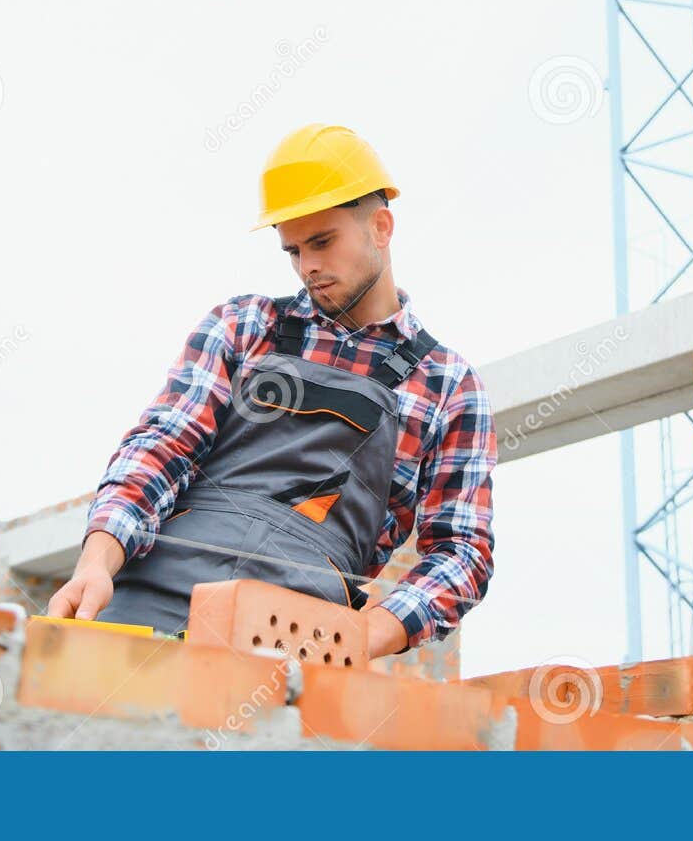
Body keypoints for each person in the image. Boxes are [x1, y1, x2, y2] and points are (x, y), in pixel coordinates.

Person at [46, 123, 496, 658]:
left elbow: (460, 552)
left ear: (380, 227)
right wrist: (96, 563)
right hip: (152, 601)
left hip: (292, 638)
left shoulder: (447, 385)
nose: (309, 267)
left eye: (323, 242)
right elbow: (164, 444)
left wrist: (357, 638)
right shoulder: (242, 326)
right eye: (293, 250)